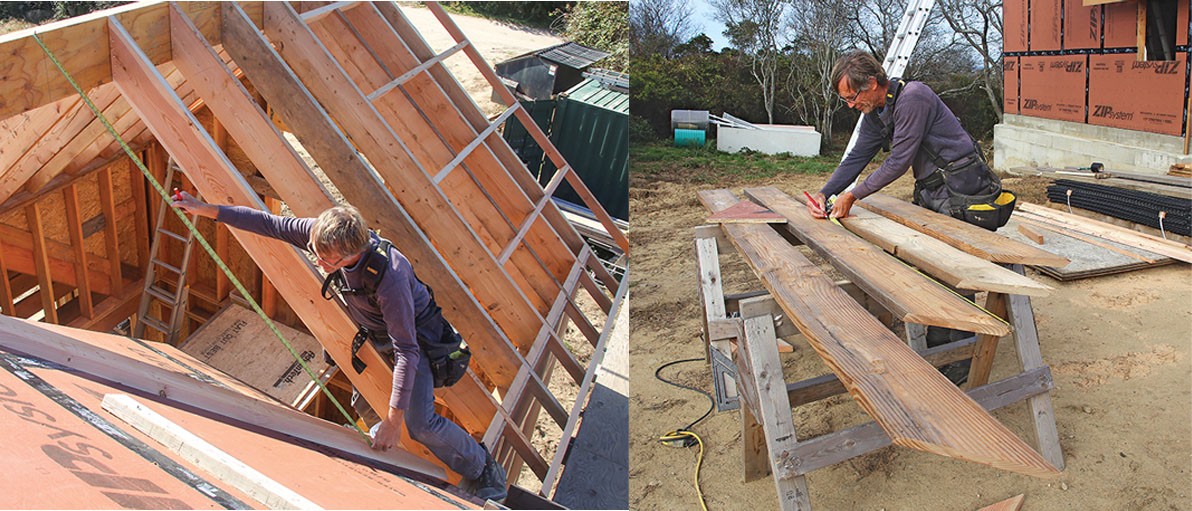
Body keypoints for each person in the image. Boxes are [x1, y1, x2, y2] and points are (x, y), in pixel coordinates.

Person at [172, 195, 508, 501]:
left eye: (326, 258)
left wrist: (394, 421)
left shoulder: (389, 277)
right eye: (317, 251)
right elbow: (268, 223)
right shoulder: (325, 234)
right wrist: (208, 210)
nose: (318, 261)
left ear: (353, 253)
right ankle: (389, 447)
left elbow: (406, 350)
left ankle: (481, 468)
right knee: (362, 396)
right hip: (373, 334)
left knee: (420, 424)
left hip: (414, 341)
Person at [807, 51, 1015, 384]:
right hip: (937, 189)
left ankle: (961, 357)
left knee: (953, 270)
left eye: (851, 97)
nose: (849, 105)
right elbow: (857, 156)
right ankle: (939, 348)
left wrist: (852, 195)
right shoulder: (878, 110)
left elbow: (898, 162)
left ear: (872, 83)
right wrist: (826, 191)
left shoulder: (913, 98)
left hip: (966, 188)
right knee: (933, 268)